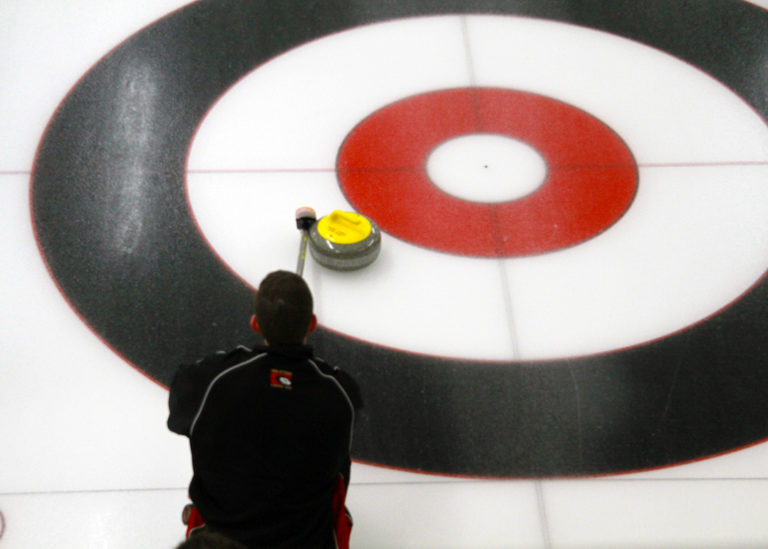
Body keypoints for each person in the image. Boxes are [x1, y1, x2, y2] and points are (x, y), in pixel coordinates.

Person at [168, 270, 362, 549]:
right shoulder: (340, 391)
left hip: (224, 539)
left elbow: (179, 406)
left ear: (255, 324)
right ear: (312, 324)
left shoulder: (212, 380)